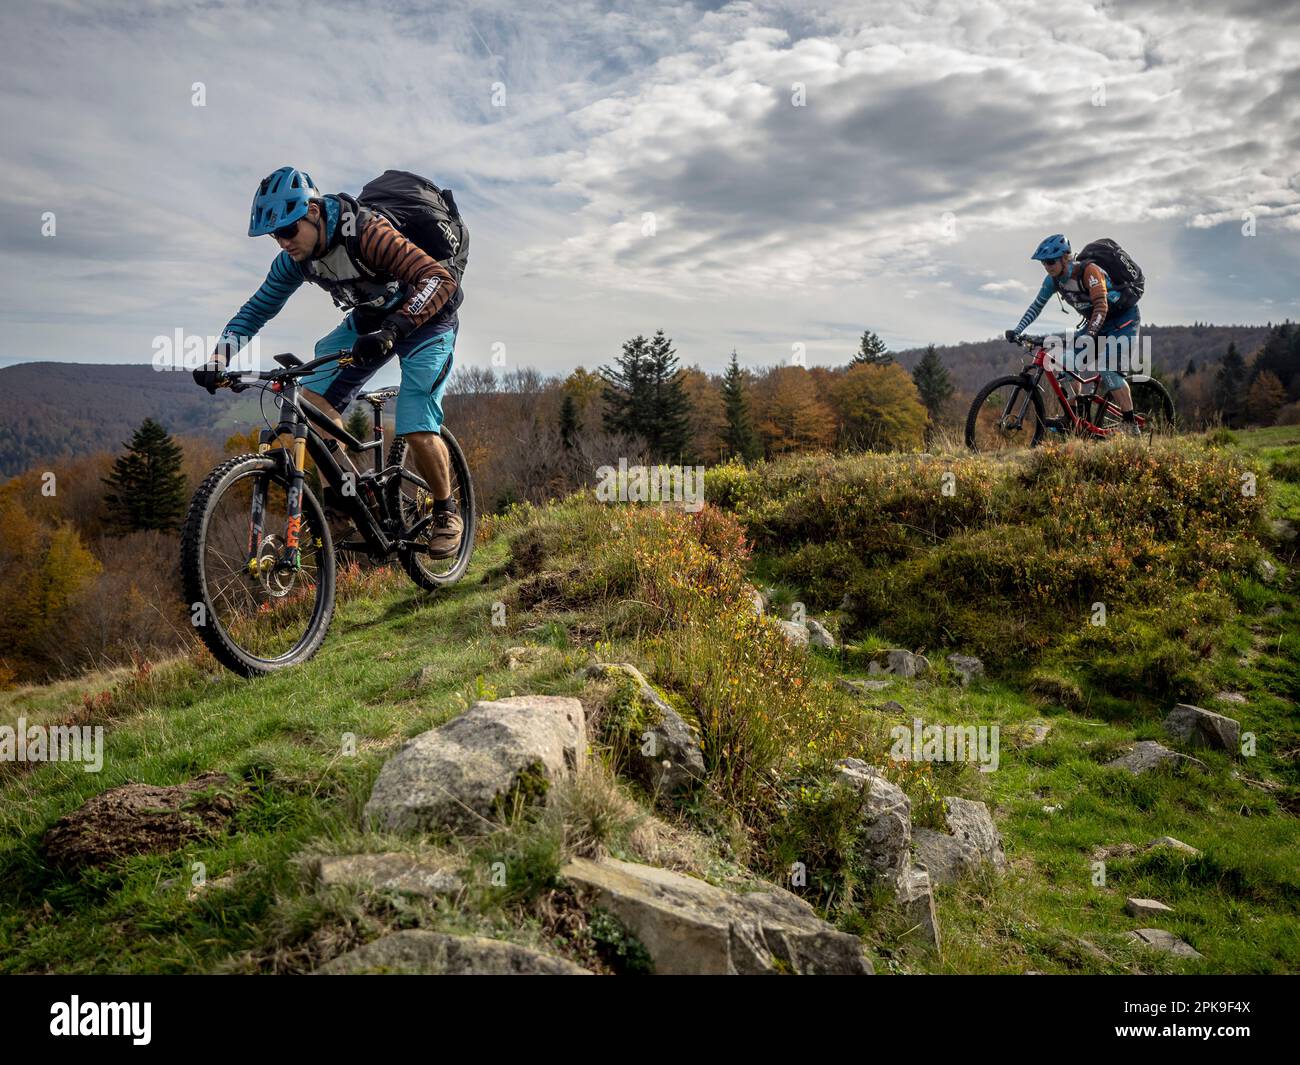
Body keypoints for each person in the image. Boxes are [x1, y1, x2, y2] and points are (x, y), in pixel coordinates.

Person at [194, 166, 463, 555]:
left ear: (315, 213)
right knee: (311, 402)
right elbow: (256, 310)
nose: (282, 242)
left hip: (428, 319)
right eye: (275, 236)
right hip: (369, 320)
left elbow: (438, 279)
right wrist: (218, 358)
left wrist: (395, 329)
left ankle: (446, 511)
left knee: (416, 423)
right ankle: (348, 500)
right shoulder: (296, 260)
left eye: (288, 231)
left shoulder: (368, 233)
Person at [1006, 233, 1141, 434]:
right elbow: (1036, 306)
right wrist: (1018, 330)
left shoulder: (1089, 271)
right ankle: (1073, 419)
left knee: (1108, 370)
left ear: (1065, 257)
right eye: (1043, 263)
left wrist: (1090, 334)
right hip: (1096, 324)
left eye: (1050, 261)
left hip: (1122, 321)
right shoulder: (1053, 281)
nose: (1047, 267)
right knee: (1066, 365)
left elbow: (1101, 306)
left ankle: (1131, 425)